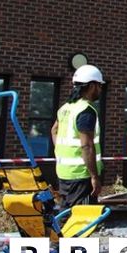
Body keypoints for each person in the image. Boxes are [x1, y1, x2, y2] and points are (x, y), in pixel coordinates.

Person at [51, 64, 104, 209]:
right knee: (82, 220)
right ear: (92, 86)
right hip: (82, 175)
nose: (100, 89)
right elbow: (86, 145)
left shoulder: (65, 108)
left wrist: (62, 151)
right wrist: (94, 176)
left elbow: (54, 131)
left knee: (66, 214)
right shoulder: (86, 110)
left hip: (64, 173)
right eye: (99, 85)